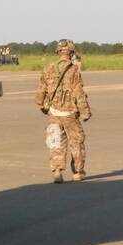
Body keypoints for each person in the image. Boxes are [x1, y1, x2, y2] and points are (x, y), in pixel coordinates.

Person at [35, 39, 91, 182]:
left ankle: (57, 171)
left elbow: (41, 90)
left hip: (53, 111)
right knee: (76, 141)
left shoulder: (48, 68)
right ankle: (78, 172)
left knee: (56, 141)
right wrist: (85, 112)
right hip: (70, 113)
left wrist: (41, 105)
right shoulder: (73, 70)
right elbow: (79, 93)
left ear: (58, 52)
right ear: (71, 52)